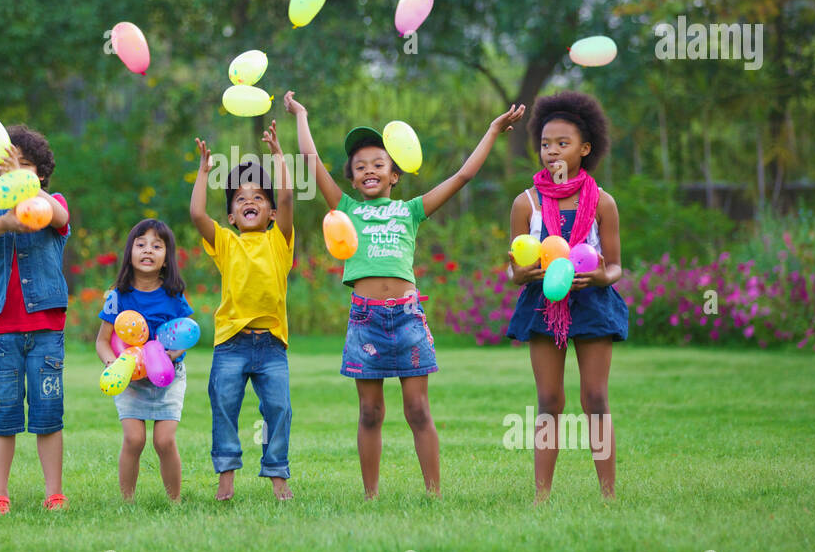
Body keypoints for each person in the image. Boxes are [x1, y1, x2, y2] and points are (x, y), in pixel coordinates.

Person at [286, 90, 524, 498]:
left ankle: (433, 493)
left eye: (379, 164)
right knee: (370, 412)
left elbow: (463, 176)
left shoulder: (411, 210)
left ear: (395, 175)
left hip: (408, 317)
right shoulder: (345, 207)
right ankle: (371, 494)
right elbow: (311, 162)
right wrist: (302, 115)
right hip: (366, 319)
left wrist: (492, 130)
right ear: (352, 178)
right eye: (360, 167)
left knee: (417, 409)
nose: (369, 171)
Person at [505, 91, 628, 502]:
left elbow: (615, 266)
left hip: (591, 301)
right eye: (544, 143)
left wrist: (598, 277)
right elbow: (513, 265)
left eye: (563, 143)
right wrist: (519, 274)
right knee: (549, 400)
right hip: (543, 304)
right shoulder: (526, 203)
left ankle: (608, 494)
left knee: (595, 397)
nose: (552, 151)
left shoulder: (603, 203)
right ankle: (542, 496)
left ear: (585, 148)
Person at [0, 125, 71, 514]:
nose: (16, 170)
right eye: (8, 165)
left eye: (25, 165)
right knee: (3, 412)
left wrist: (27, 187)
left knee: (47, 413)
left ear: (40, 173)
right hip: (2, 331)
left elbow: (60, 215)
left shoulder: (51, 201)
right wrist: (3, 223)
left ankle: (54, 493)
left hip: (46, 330)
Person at [189, 120, 295, 501]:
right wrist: (203, 173)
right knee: (224, 407)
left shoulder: (279, 241)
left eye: (258, 197)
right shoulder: (226, 243)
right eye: (240, 198)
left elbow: (287, 200)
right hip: (231, 343)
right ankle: (226, 482)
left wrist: (280, 157)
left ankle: (278, 478)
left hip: (271, 346)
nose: (249, 201)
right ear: (232, 216)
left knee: (279, 409)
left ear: (268, 212)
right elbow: (198, 215)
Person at [95, 219, 195, 502]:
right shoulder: (118, 296)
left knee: (164, 441)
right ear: (130, 253)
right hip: (130, 377)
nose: (148, 250)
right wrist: (113, 364)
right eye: (140, 244)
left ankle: (174, 501)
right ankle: (127, 501)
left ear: (166, 258)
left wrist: (171, 355)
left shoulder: (173, 295)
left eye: (156, 245)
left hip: (168, 375)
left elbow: (183, 335)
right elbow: (102, 340)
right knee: (134, 439)